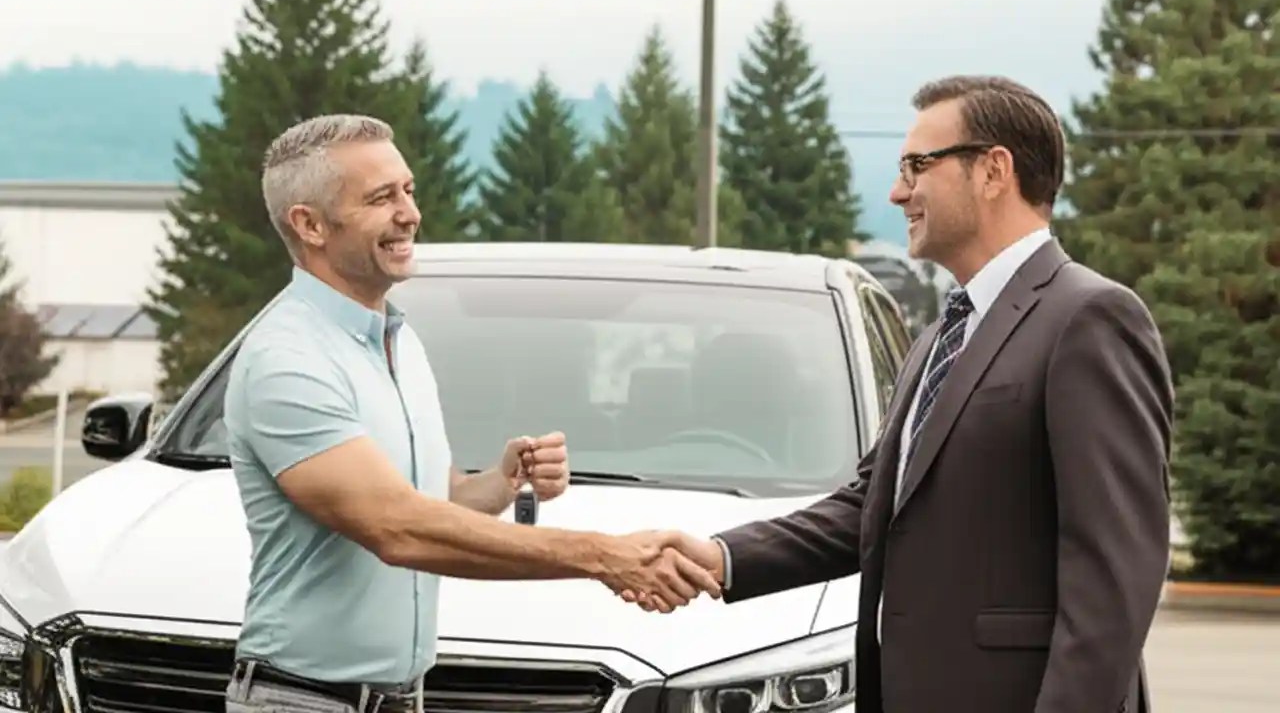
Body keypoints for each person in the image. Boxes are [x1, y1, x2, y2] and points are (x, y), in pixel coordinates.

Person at [623, 75, 1174, 713]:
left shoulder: (1091, 318)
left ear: (994, 170)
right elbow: (871, 508)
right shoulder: (943, 333)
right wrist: (721, 558)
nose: (898, 190)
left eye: (918, 165)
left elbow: (1114, 579)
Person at [222, 113, 719, 713]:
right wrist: (603, 555)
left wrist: (500, 485)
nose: (410, 213)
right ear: (310, 224)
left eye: (408, 190)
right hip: (304, 702)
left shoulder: (397, 339)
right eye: (381, 198)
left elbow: (430, 503)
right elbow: (395, 527)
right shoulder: (287, 359)